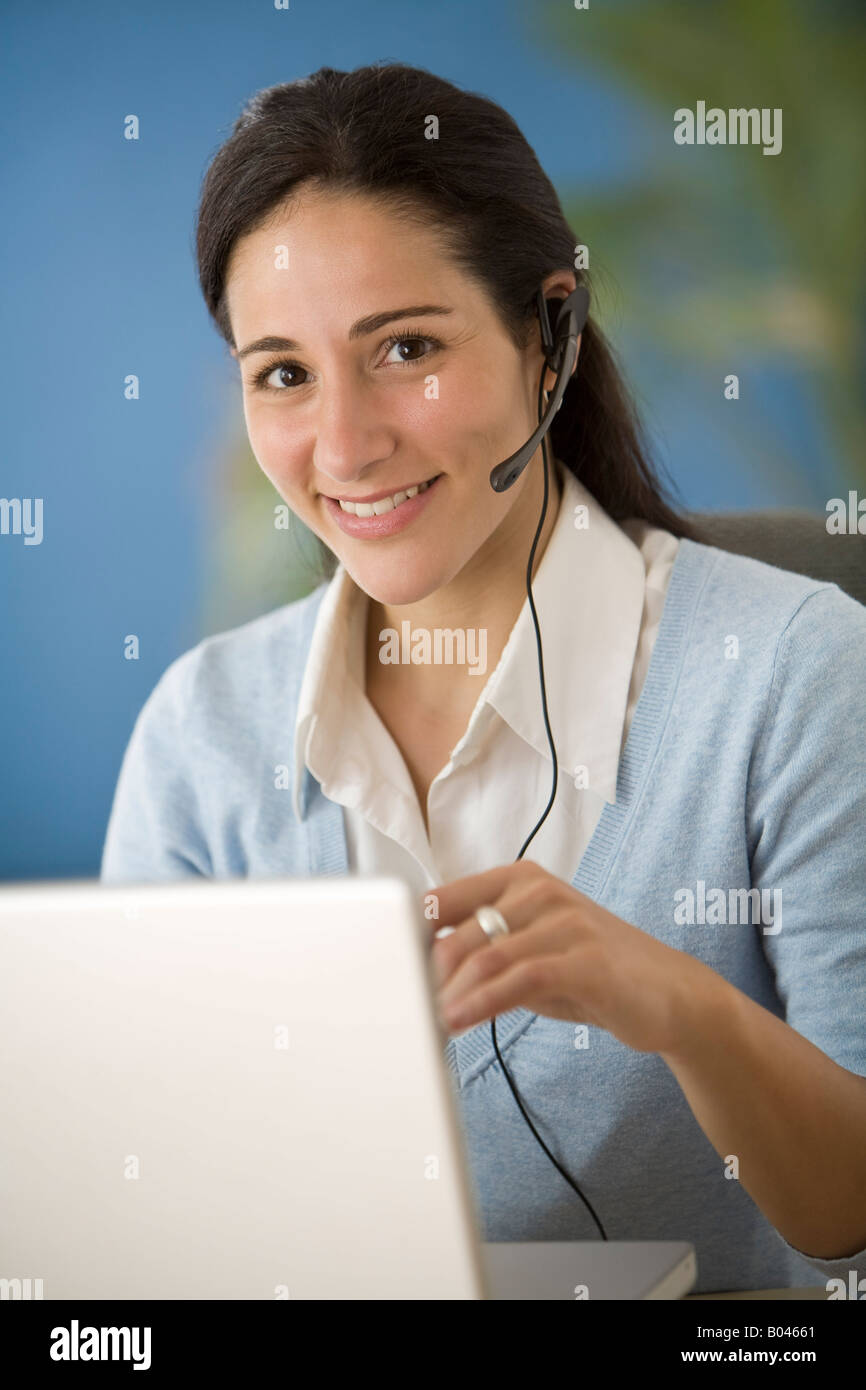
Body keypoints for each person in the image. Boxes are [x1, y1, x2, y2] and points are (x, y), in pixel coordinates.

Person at [102, 61, 866, 1296]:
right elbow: (134, 1212)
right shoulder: (202, 731)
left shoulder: (790, 675)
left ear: (546, 336)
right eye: (284, 373)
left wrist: (684, 1009)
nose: (345, 446)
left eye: (405, 348)